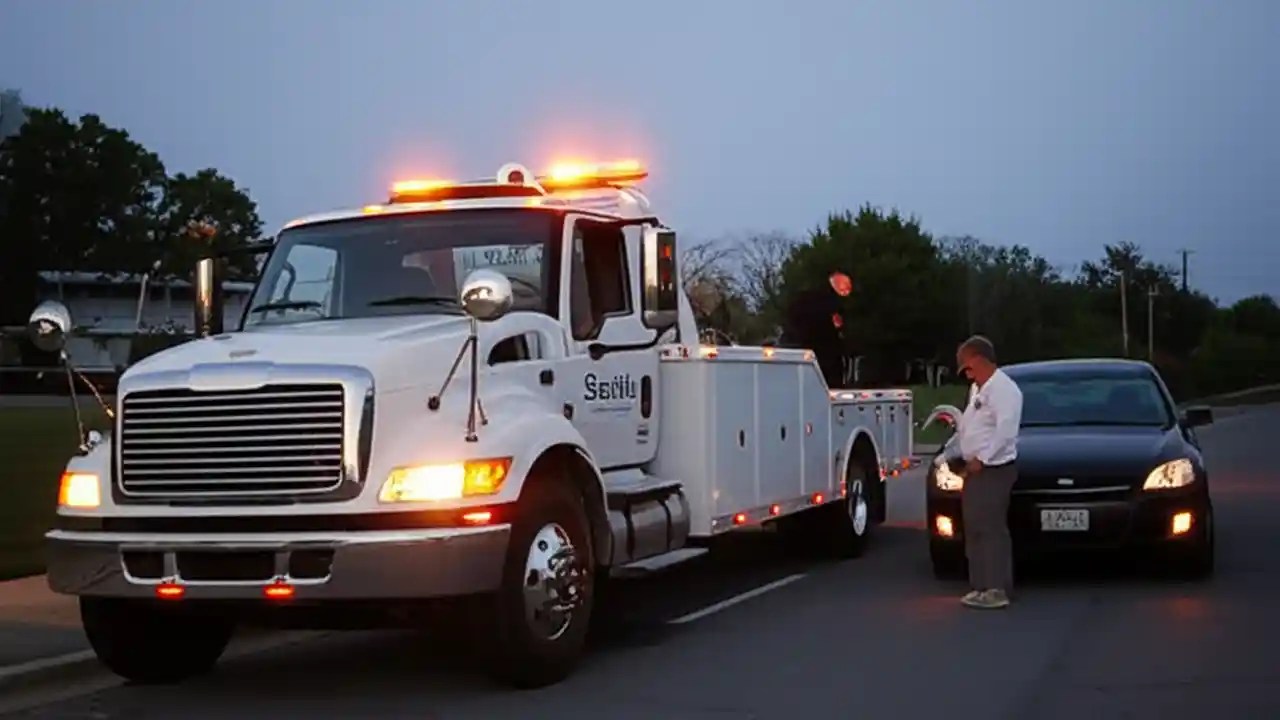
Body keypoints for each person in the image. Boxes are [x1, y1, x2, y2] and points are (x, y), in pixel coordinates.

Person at [951, 335, 1023, 609]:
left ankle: (997, 587)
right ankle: (980, 584)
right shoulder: (979, 390)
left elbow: (1006, 432)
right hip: (975, 470)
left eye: (968, 368)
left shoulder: (1005, 390)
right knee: (975, 526)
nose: (967, 375)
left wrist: (983, 458)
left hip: (994, 468)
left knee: (991, 527)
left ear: (980, 360)